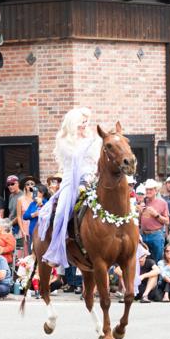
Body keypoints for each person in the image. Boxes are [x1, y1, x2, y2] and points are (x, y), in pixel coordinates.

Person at [38, 108, 100, 267]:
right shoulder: (64, 139)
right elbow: (74, 158)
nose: (85, 125)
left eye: (87, 121)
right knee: (60, 212)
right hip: (70, 180)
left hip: (91, 178)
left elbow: (96, 158)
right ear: (74, 123)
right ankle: (56, 248)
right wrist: (88, 144)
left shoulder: (92, 138)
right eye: (82, 121)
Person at [139, 178, 170, 262]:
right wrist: (139, 213)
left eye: (150, 189)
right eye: (147, 189)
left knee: (158, 260)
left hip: (156, 235)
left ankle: (158, 275)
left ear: (156, 190)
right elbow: (139, 222)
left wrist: (156, 214)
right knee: (142, 260)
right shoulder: (143, 202)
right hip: (143, 234)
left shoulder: (162, 203)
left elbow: (167, 221)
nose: (148, 191)